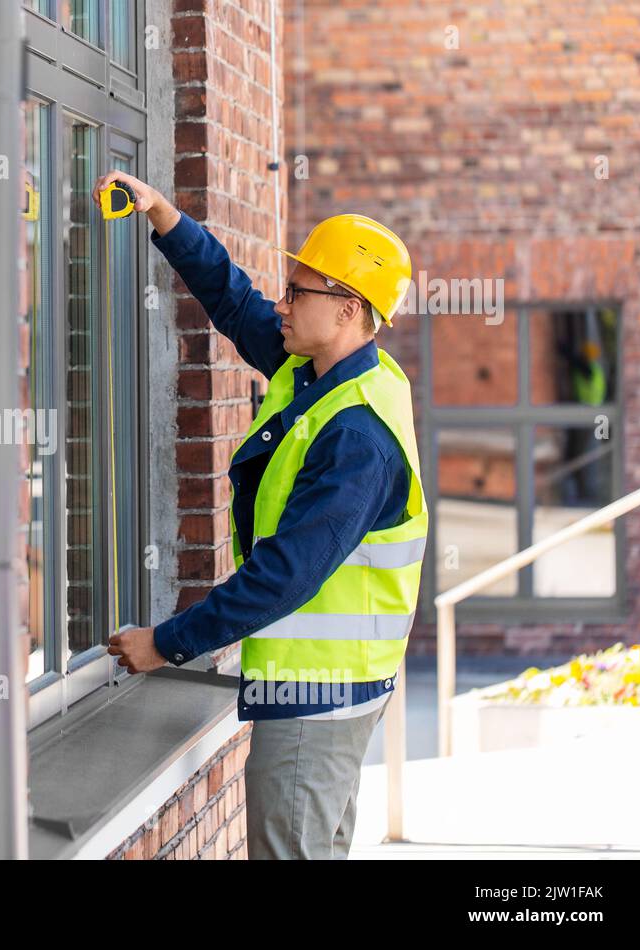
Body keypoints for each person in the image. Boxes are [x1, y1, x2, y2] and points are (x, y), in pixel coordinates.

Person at [97, 171, 427, 860]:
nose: (281, 303)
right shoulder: (321, 370)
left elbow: (285, 575)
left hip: (318, 702)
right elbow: (231, 296)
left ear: (347, 309)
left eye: (298, 291)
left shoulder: (356, 436)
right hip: (335, 689)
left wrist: (168, 641)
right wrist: (164, 216)